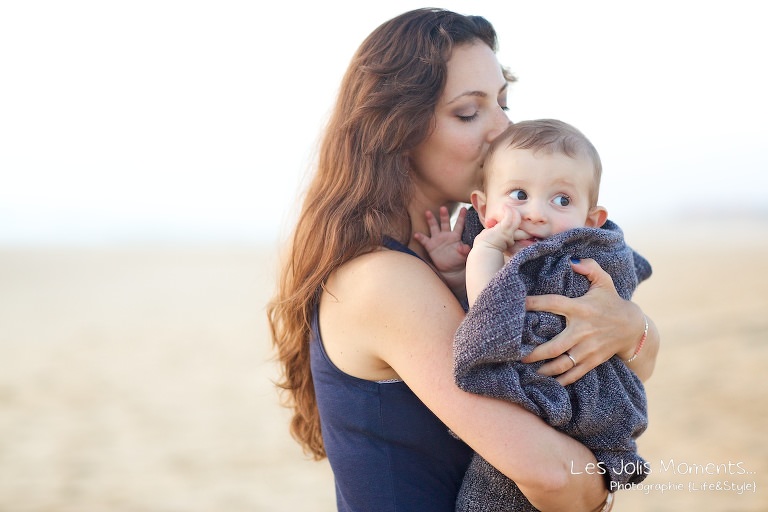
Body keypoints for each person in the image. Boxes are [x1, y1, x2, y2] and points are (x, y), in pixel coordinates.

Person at [267, 8, 659, 512]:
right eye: (468, 113)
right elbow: (554, 476)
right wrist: (602, 485)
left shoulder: (458, 254)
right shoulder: (382, 279)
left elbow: (633, 361)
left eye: (502, 101)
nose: (502, 129)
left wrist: (631, 326)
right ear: (398, 130)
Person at [416, 119, 652, 511]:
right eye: (519, 194)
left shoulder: (578, 264)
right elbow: (484, 310)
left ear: (591, 220)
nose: (537, 214)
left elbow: (491, 323)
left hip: (567, 415)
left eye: (561, 200)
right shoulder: (509, 259)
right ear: (482, 206)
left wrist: (484, 256)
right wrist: (460, 272)